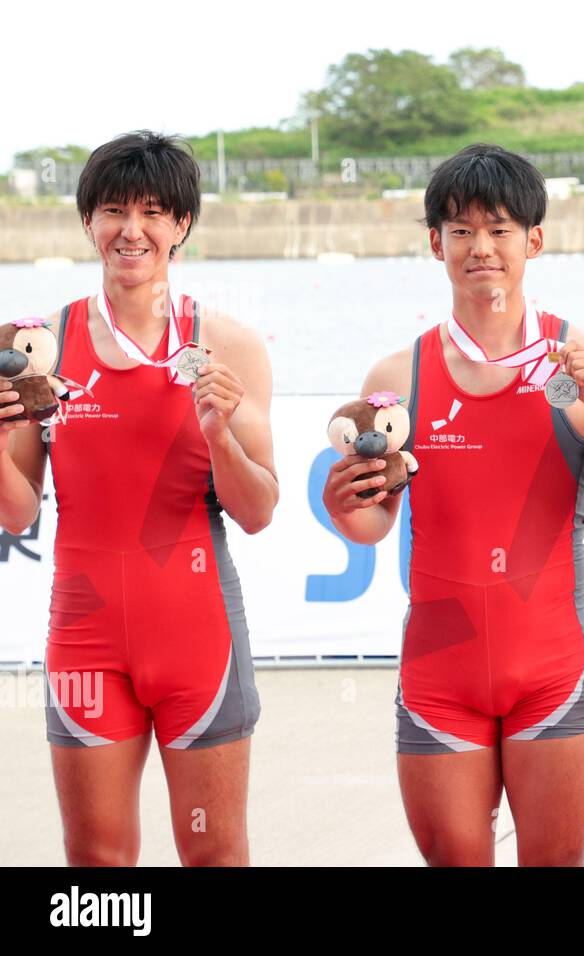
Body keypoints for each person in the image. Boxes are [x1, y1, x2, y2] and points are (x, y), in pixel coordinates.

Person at [324, 143, 584, 867]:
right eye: (461, 231)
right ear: (434, 244)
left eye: (500, 229)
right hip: (438, 678)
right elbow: (368, 525)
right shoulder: (396, 378)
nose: (481, 248)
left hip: (554, 672)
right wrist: (342, 501)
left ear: (534, 240)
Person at [0, 131, 277, 865]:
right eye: (114, 210)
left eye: (154, 212)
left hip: (199, 636)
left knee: (214, 854)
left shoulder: (227, 345)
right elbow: (19, 509)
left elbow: (259, 510)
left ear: (181, 225)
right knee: (96, 860)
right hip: (87, 637)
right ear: (87, 222)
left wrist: (219, 435)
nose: (132, 229)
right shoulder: (43, 345)